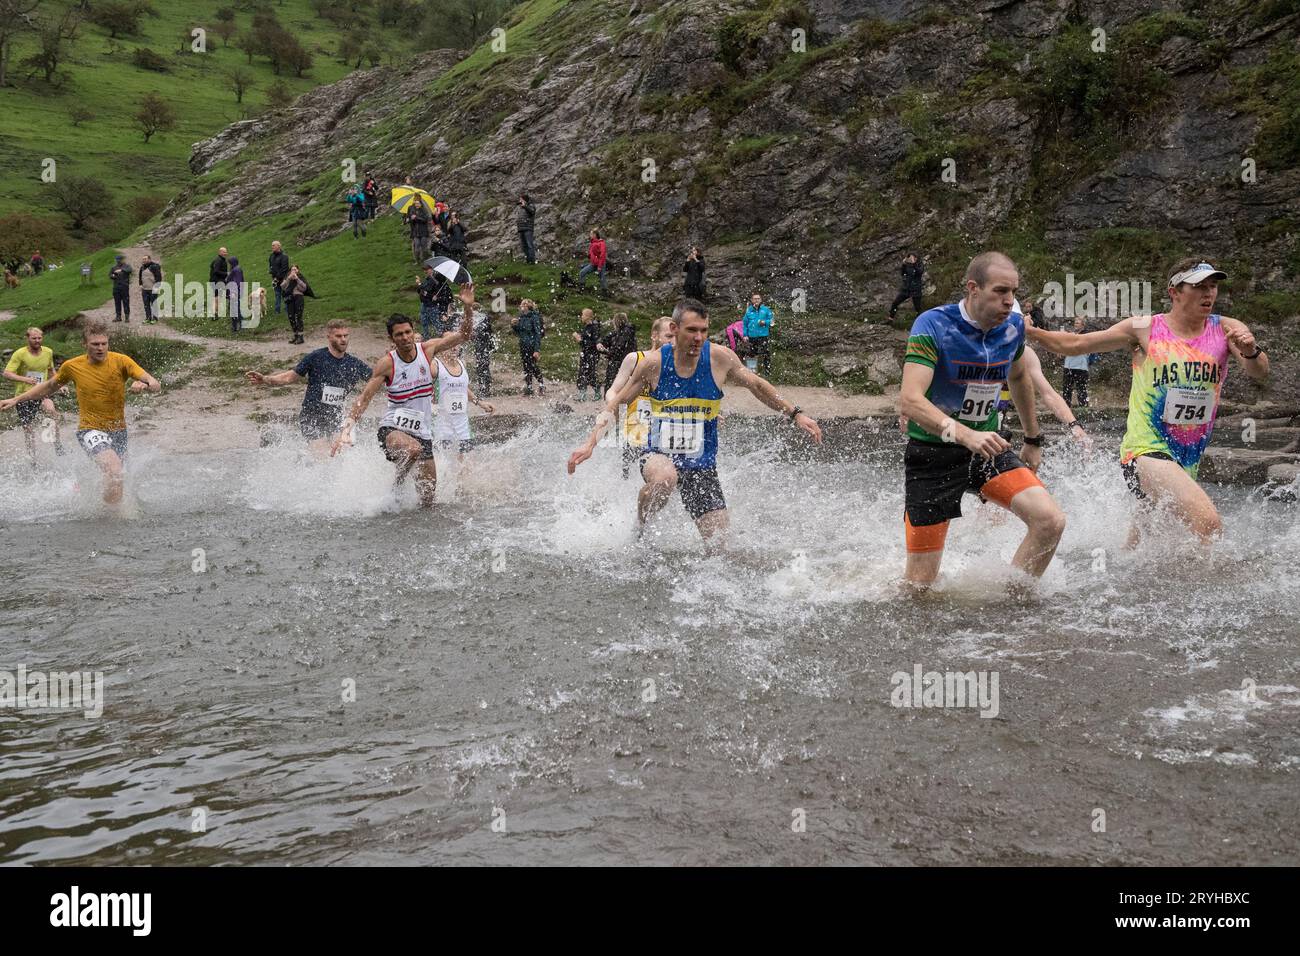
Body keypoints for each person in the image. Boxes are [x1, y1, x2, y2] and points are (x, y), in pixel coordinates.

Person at [1026, 258, 1269, 546]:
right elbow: (1075, 345)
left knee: (1145, 549)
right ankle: (1202, 591)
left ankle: (1117, 579)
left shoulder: (1225, 329)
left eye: (1213, 286)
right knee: (1208, 524)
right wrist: (1029, 332)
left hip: (1187, 455)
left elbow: (1259, 373)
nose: (1209, 294)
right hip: (1145, 450)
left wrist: (1251, 351)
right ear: (1175, 292)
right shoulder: (1144, 328)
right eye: (1199, 286)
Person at [568, 299, 822, 546]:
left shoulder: (720, 358)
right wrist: (590, 443)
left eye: (703, 330)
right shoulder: (654, 363)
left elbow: (756, 385)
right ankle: (640, 528)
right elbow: (617, 403)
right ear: (675, 330)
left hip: (701, 464)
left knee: (719, 547)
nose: (699, 337)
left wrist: (795, 414)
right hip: (658, 454)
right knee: (665, 478)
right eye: (691, 330)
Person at [897, 251, 1066, 590]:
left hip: (987, 448)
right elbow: (910, 400)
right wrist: (963, 434)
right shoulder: (933, 324)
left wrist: (1032, 439)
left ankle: (1013, 600)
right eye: (1000, 291)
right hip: (933, 453)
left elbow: (1019, 378)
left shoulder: (1014, 327)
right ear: (973, 288)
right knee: (920, 588)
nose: (1009, 301)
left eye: (1014, 292)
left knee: (1050, 521)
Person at [331, 286, 477, 508]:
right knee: (412, 449)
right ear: (392, 338)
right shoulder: (387, 363)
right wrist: (346, 429)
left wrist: (467, 307)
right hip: (393, 429)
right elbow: (365, 397)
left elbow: (464, 335)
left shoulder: (427, 350)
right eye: (399, 334)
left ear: (413, 330)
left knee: (428, 501)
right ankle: (396, 488)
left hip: (423, 431)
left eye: (408, 332)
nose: (405, 337)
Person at [0, 321, 161, 505]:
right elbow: (48, 386)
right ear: (85, 345)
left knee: (118, 478)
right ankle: (108, 519)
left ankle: (97, 504)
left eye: (104, 343)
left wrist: (145, 384)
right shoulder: (72, 366)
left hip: (118, 430)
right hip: (89, 429)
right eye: (95, 344)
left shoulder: (121, 361)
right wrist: (16, 399)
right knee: (115, 470)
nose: (100, 348)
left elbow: (155, 384)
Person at [244, 319, 371, 455]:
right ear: (329, 337)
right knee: (322, 456)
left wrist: (392, 359)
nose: (343, 339)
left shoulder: (354, 364)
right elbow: (289, 378)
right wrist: (265, 379)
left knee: (340, 455)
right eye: (339, 336)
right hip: (311, 417)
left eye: (346, 336)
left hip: (334, 417)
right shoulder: (316, 357)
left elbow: (379, 378)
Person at [602, 316, 670, 479]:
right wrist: (615, 408)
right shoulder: (635, 358)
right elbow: (612, 391)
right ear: (654, 336)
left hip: (662, 433)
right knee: (629, 478)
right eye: (668, 336)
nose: (673, 340)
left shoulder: (675, 366)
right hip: (634, 431)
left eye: (676, 336)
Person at [3, 326, 65, 462]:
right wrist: (25, 379)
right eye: (34, 338)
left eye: (39, 338)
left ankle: (58, 444)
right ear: (27, 338)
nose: (37, 341)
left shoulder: (48, 352)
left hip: (42, 392)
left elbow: (51, 371)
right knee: (28, 429)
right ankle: (33, 458)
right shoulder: (20, 354)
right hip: (23, 395)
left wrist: (60, 385)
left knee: (52, 412)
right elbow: (7, 373)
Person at [433, 345, 494, 462]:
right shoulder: (435, 365)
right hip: (443, 428)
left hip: (463, 428)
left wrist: (480, 402)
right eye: (450, 344)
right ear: (441, 347)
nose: (454, 348)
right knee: (445, 466)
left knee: (466, 466)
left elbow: (463, 388)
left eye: (456, 345)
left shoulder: (462, 364)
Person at [511, 298, 545, 396]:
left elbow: (538, 334)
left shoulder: (534, 317)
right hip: (523, 345)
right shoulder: (521, 317)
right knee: (526, 366)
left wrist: (537, 350)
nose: (522, 306)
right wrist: (514, 326)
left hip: (532, 345)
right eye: (521, 304)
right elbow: (519, 332)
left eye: (524, 304)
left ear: (528, 306)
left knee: (533, 366)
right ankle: (529, 387)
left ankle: (541, 384)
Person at [597, 311, 637, 394]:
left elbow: (618, 349)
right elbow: (607, 339)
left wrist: (605, 351)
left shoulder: (626, 332)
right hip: (618, 363)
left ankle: (612, 405)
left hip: (621, 364)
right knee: (616, 387)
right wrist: (600, 343)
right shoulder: (618, 332)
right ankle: (613, 405)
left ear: (617, 321)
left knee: (615, 388)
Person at [742, 293, 774, 376]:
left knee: (766, 353)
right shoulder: (749, 310)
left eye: (758, 298)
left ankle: (767, 373)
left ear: (761, 300)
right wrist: (745, 335)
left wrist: (765, 322)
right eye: (755, 298)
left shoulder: (766, 309)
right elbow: (745, 324)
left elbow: (772, 321)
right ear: (752, 300)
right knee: (752, 354)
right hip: (752, 336)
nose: (756, 300)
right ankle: (751, 373)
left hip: (763, 336)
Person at [572, 308, 602, 401]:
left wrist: (579, 339)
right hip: (585, 354)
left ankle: (597, 392)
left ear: (588, 316)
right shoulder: (586, 327)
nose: (581, 316)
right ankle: (582, 394)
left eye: (583, 315)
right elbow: (586, 342)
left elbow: (593, 343)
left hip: (592, 354)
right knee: (581, 373)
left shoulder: (594, 327)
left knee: (590, 374)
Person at [1061, 318, 1091, 407]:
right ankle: (1066, 407)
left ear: (1083, 325)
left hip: (1081, 367)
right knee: (1066, 389)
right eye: (1075, 323)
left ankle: (1084, 408)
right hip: (1068, 366)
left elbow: (1078, 346)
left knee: (1081, 389)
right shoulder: (1071, 335)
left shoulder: (1086, 336)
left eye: (1077, 323)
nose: (1075, 324)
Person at [417, 263, 451, 339]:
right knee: (424, 322)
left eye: (427, 270)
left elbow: (427, 289)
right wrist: (420, 287)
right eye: (424, 270)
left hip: (432, 305)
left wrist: (419, 284)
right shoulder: (427, 278)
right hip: (424, 304)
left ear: (431, 269)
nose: (425, 272)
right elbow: (421, 290)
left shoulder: (436, 279)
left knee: (436, 322)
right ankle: (426, 337)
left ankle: (444, 337)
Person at [888, 253, 925, 322]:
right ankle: (890, 319)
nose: (910, 259)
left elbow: (920, 272)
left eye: (912, 257)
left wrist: (914, 263)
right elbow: (902, 273)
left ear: (916, 258)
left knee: (918, 309)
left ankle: (920, 324)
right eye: (910, 257)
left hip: (916, 290)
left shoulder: (920, 264)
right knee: (895, 303)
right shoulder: (908, 265)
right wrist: (904, 264)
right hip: (906, 289)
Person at [281, 264, 310, 344]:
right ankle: (295, 336)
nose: (293, 271)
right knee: (291, 317)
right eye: (292, 270)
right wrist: (288, 279)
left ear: (298, 270)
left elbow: (304, 288)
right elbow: (282, 287)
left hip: (298, 298)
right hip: (290, 298)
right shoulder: (288, 277)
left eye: (295, 269)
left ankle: (301, 337)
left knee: (298, 316)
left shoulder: (300, 277)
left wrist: (297, 279)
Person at [470, 304, 493, 396]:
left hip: (484, 345)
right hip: (479, 346)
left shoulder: (483, 318)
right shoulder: (475, 319)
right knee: (480, 366)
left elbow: (486, 331)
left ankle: (486, 389)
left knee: (484, 366)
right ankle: (481, 387)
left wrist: (475, 333)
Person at [577, 229, 608, 293]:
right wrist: (589, 255)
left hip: (601, 264)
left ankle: (605, 294)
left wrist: (599, 266)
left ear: (595, 235)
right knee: (582, 272)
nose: (590, 235)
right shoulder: (593, 242)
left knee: (602, 279)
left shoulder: (601, 243)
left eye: (591, 234)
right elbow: (593, 252)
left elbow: (602, 255)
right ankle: (581, 289)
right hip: (593, 264)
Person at [138, 255, 163, 324]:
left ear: (149, 259)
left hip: (153, 289)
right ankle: (148, 318)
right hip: (145, 289)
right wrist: (140, 284)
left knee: (154, 304)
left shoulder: (154, 267)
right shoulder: (142, 268)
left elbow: (159, 277)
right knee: (146, 304)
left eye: (145, 259)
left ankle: (155, 318)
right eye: (143, 259)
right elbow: (140, 277)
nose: (144, 260)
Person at [269, 241, 290, 315]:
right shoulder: (271, 256)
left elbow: (284, 269)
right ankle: (277, 310)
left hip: (283, 279)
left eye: (274, 245)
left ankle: (288, 309)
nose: (272, 247)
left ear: (279, 246)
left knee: (285, 294)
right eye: (272, 245)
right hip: (275, 279)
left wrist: (277, 278)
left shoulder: (284, 256)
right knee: (277, 294)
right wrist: (270, 272)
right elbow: (271, 266)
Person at [108, 254, 132, 322]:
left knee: (126, 302)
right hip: (116, 287)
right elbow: (110, 275)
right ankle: (118, 317)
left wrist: (121, 270)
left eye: (119, 259)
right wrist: (113, 275)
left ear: (122, 260)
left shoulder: (127, 266)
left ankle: (127, 317)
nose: (118, 261)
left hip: (124, 287)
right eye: (117, 259)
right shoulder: (113, 267)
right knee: (117, 302)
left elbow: (129, 270)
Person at [209, 247, 230, 318]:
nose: (226, 253)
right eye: (224, 252)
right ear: (220, 252)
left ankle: (216, 312)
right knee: (218, 296)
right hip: (216, 281)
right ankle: (215, 313)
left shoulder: (220, 260)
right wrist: (226, 274)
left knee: (219, 296)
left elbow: (211, 266)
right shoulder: (219, 260)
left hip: (218, 280)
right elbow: (216, 271)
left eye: (226, 252)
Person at [409, 198, 432, 263]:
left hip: (423, 232)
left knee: (424, 247)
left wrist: (416, 218)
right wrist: (411, 219)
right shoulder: (413, 211)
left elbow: (425, 220)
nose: (416, 205)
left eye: (418, 203)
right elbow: (411, 222)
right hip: (416, 232)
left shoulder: (424, 211)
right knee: (416, 248)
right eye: (415, 203)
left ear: (421, 204)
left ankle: (425, 260)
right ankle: (417, 261)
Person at [516, 193, 537, 264]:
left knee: (529, 245)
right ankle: (528, 260)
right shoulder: (521, 207)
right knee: (524, 245)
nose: (519, 201)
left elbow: (532, 211)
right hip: (521, 228)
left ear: (524, 200)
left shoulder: (530, 205)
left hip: (528, 228)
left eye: (521, 199)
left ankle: (532, 260)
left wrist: (525, 206)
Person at [226, 256, 245, 332]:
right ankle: (235, 326)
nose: (229, 265)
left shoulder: (236, 269)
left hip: (234, 292)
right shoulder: (235, 269)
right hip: (233, 292)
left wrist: (234, 292)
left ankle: (240, 326)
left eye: (230, 263)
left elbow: (238, 281)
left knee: (236, 309)